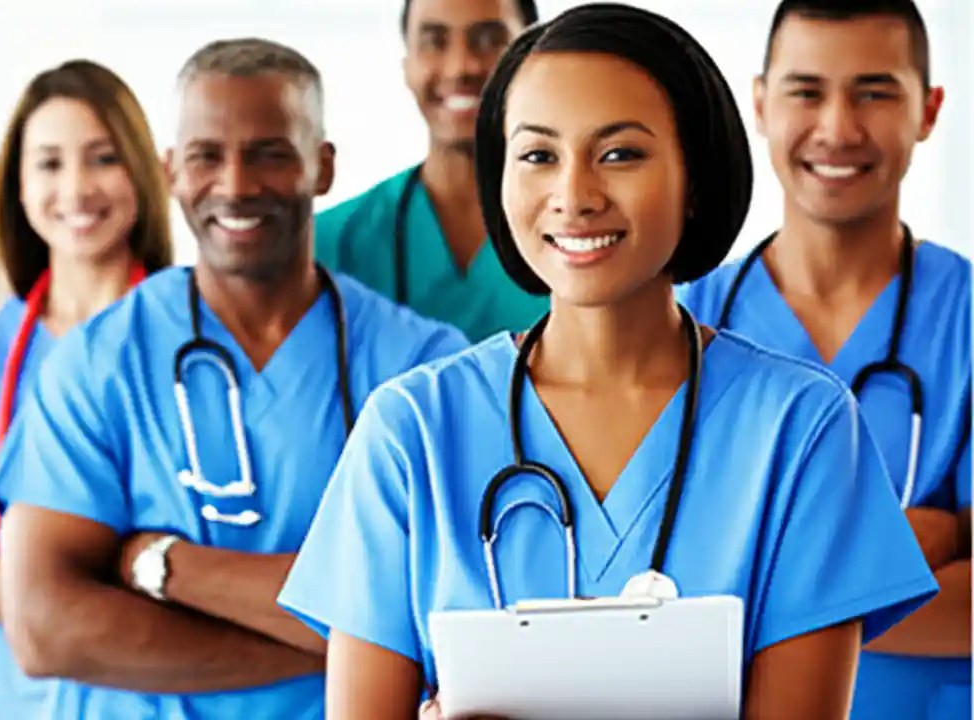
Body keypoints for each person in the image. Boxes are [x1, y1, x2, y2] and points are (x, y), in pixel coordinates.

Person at [277, 4, 940, 718]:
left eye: (620, 153)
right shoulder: (411, 432)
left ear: (697, 176)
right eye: (537, 156)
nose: (574, 196)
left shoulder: (800, 428)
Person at [0, 38, 468, 719]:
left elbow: (442, 612)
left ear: (321, 167)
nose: (236, 185)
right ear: (173, 171)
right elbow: (43, 627)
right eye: (208, 155)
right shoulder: (101, 360)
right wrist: (343, 643)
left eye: (270, 152)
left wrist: (159, 563)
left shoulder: (423, 368)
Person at [677, 1, 971, 717]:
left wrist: (758, 582)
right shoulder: (683, 321)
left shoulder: (965, 315)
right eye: (807, 91)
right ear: (760, 104)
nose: (838, 128)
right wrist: (914, 550)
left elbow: (705, 598)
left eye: (874, 92)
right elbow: (650, 595)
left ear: (927, 110)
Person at [0, 60, 172, 719]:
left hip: (175, 696)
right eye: (48, 163)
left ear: (145, 171)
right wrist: (145, 569)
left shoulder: (200, 349)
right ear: (18, 186)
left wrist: (45, 580)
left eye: (102, 158)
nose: (76, 187)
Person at [315, 0, 550, 342]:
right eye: (434, 41)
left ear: (534, 61)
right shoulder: (329, 244)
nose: (461, 67)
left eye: (488, 40)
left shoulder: (583, 225)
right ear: (407, 65)